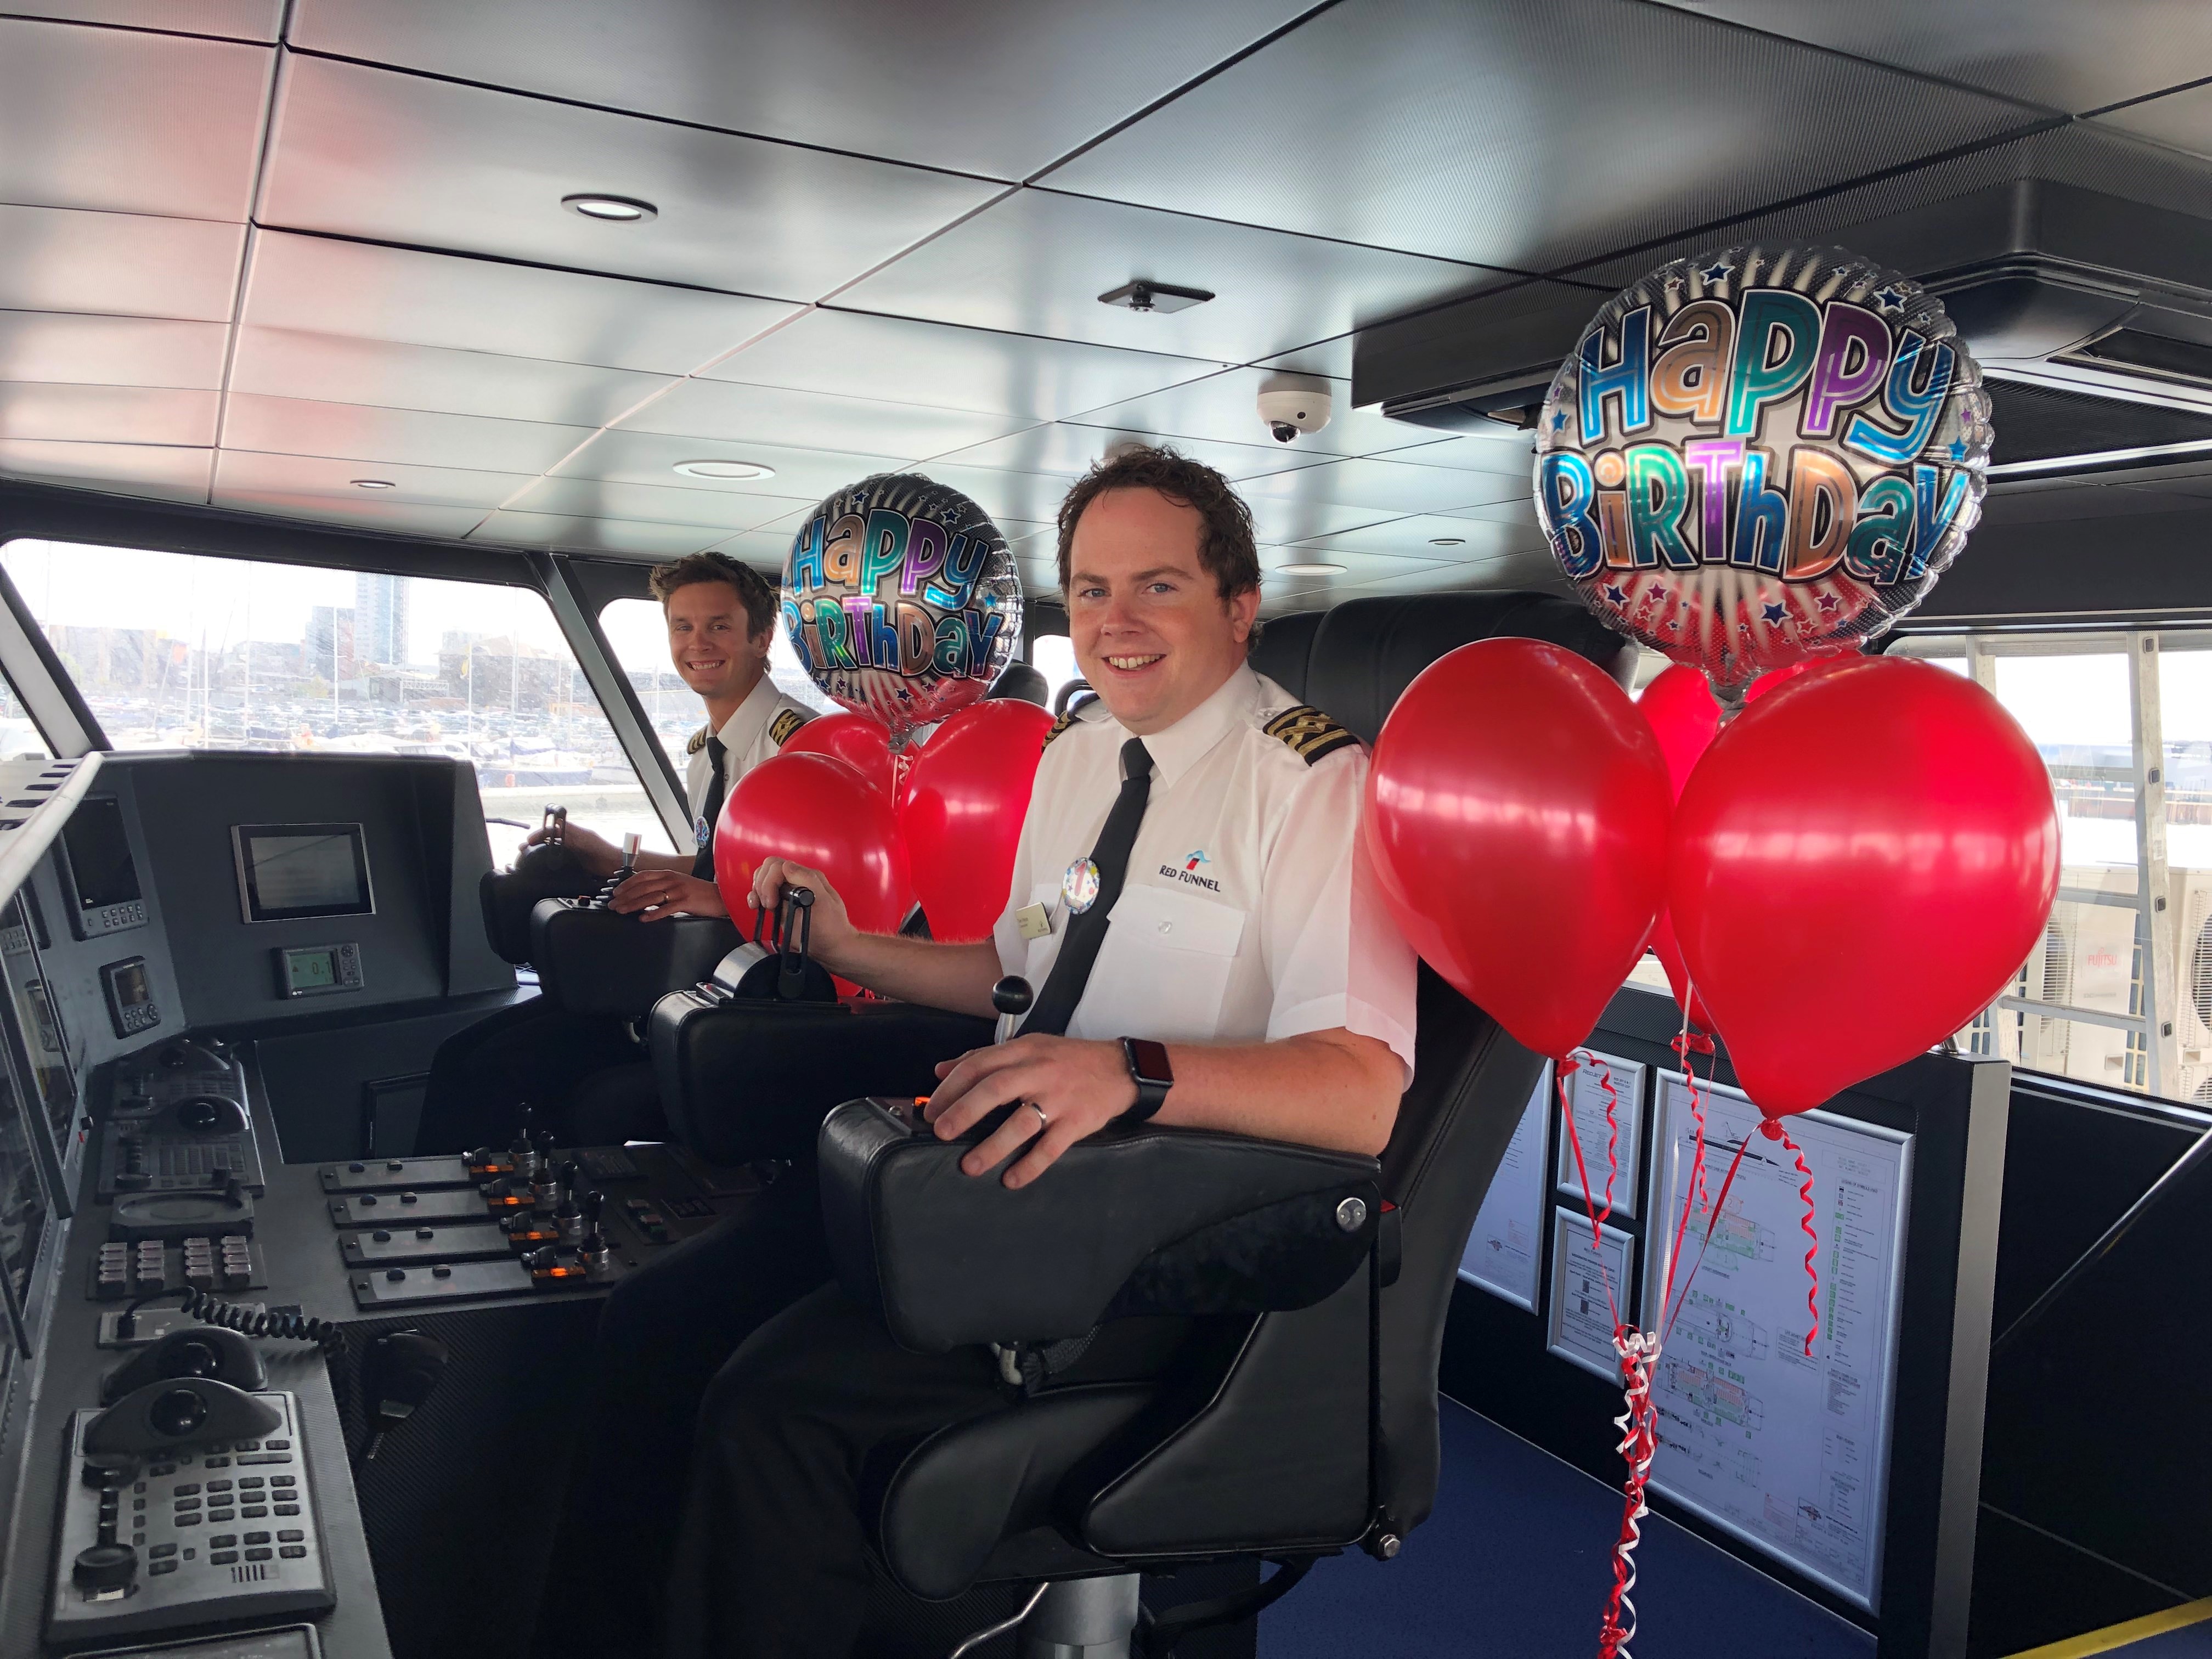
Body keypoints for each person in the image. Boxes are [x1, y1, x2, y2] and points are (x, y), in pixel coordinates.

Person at [652, 445, 1420, 1659]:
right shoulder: (1074, 763)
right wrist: (856, 945)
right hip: (1005, 1198)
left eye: (1157, 586)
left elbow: (1363, 1090)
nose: (1117, 623)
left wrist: (1129, 1070)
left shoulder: (1314, 784)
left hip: (1151, 1250)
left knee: (772, 1413)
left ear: (1239, 605)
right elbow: (1012, 973)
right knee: (673, 1307)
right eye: (1093, 589)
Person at [413, 552, 816, 1154]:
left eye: (719, 625)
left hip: (743, 1000)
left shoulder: (798, 748)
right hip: (683, 980)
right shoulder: (707, 752)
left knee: (511, 1076)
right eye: (683, 626)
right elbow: (710, 874)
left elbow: (813, 899)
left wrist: (707, 895)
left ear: (762, 637)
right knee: (463, 1056)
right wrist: (612, 861)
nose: (698, 643)